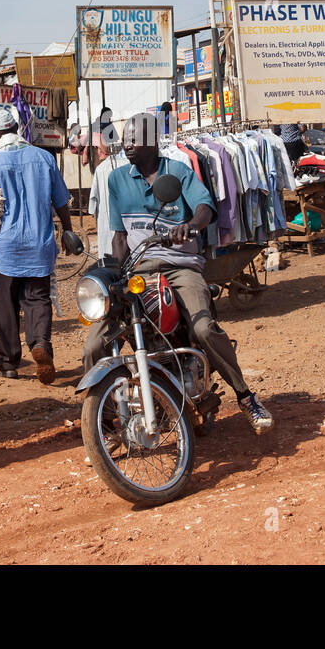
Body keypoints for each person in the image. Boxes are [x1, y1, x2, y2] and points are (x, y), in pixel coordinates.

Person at [83, 113, 273, 433]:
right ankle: (102, 423)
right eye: (125, 138)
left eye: (134, 138)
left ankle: (246, 396)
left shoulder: (179, 172)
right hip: (137, 269)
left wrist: (190, 226)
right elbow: (118, 236)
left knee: (203, 328)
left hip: (180, 267)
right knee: (94, 343)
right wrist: (113, 274)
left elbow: (205, 208)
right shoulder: (116, 180)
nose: (127, 144)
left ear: (152, 142)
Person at [0, 106, 74, 383]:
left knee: (7, 304)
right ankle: (40, 344)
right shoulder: (44, 158)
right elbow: (61, 201)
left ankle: (9, 363)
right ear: (17, 128)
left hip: (5, 248)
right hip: (40, 244)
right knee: (38, 299)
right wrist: (68, 230)